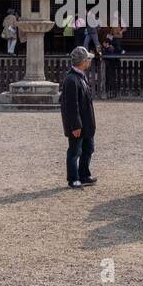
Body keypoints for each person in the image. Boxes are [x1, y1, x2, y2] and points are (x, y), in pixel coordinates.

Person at [59, 46, 97, 189]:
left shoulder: (80, 77)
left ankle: (84, 175)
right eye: (88, 59)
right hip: (78, 124)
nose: (89, 61)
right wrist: (75, 125)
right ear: (83, 62)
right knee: (75, 151)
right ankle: (73, 178)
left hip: (86, 122)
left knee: (88, 148)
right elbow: (71, 106)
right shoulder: (71, 80)